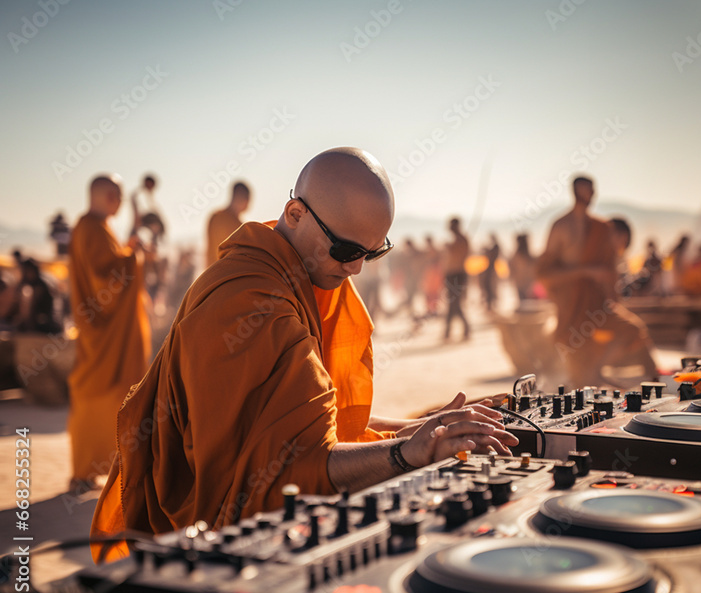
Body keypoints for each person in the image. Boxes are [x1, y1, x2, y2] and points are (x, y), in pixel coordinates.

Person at [91, 148, 514, 559]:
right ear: (295, 214)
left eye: (373, 252)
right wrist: (406, 453)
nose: (357, 269)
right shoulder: (249, 303)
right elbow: (290, 470)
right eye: (347, 251)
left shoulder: (300, 278)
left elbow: (321, 425)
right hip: (214, 543)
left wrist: (429, 426)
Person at [68, 175, 151, 493]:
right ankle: (83, 470)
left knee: (109, 397)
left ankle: (93, 469)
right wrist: (134, 257)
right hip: (100, 334)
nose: (117, 201)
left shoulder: (96, 228)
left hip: (103, 334)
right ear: (103, 195)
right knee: (94, 396)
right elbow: (107, 278)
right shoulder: (91, 228)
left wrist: (128, 253)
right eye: (114, 195)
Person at [536, 175, 657, 387]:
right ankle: (587, 386)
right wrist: (585, 271)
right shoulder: (561, 227)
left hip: (598, 304)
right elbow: (545, 273)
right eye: (585, 190)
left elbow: (609, 269)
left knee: (634, 329)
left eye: (592, 190)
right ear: (574, 191)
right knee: (579, 368)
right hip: (570, 306)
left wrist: (613, 297)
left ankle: (654, 383)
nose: (589, 195)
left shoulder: (601, 228)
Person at [206, 181, 251, 268]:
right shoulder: (239, 226)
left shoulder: (215, 217)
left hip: (211, 272)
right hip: (227, 273)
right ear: (243, 200)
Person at [442, 217, 470, 341]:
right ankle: (449, 331)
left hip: (457, 275)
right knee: (452, 304)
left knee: (455, 303)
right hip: (452, 275)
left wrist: (450, 247)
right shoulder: (457, 240)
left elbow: (461, 255)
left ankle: (463, 329)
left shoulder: (461, 240)